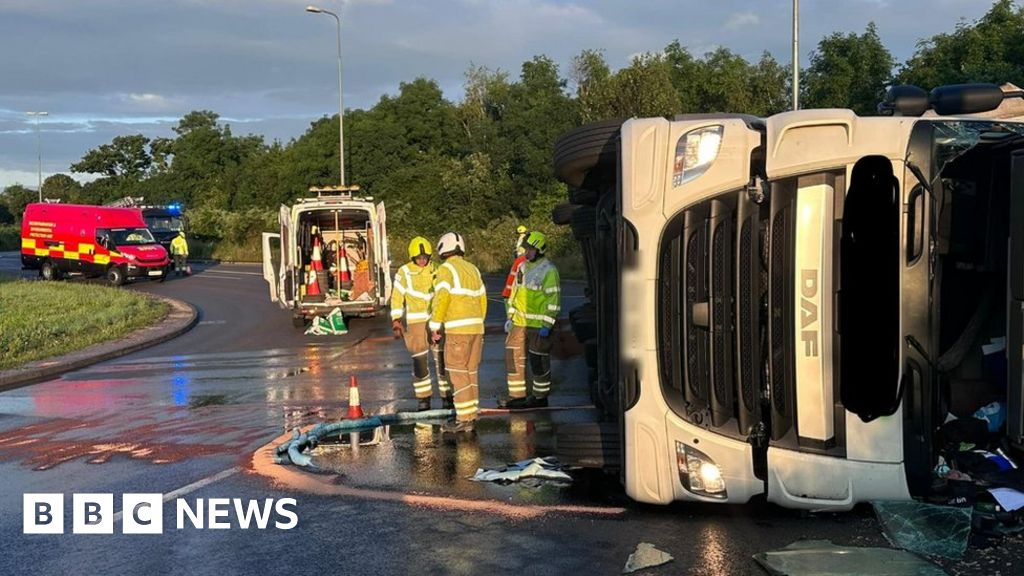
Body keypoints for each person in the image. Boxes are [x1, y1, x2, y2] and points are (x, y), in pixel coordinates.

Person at [429, 232, 487, 434]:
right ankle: (471, 414)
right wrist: (479, 322)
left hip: (458, 330)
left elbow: (442, 298)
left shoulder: (446, 269)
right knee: (471, 372)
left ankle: (464, 419)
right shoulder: (473, 269)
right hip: (476, 329)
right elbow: (483, 300)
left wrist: (435, 324)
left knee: (457, 372)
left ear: (442, 249)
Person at [390, 236, 449, 411]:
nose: (422, 261)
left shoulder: (438, 269)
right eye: (419, 258)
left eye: (425, 258)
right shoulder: (404, 272)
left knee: (442, 360)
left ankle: (447, 397)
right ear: (412, 257)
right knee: (420, 362)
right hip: (416, 324)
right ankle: (424, 399)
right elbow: (397, 296)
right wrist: (396, 320)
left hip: (437, 321)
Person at [503, 231, 560, 409]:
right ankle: (517, 396)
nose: (526, 253)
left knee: (538, 362)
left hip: (539, 327)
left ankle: (540, 397)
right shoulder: (522, 267)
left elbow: (553, 300)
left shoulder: (549, 270)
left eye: (530, 249)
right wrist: (510, 316)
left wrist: (547, 324)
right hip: (519, 323)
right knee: (513, 359)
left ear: (539, 250)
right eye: (526, 249)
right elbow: (514, 293)